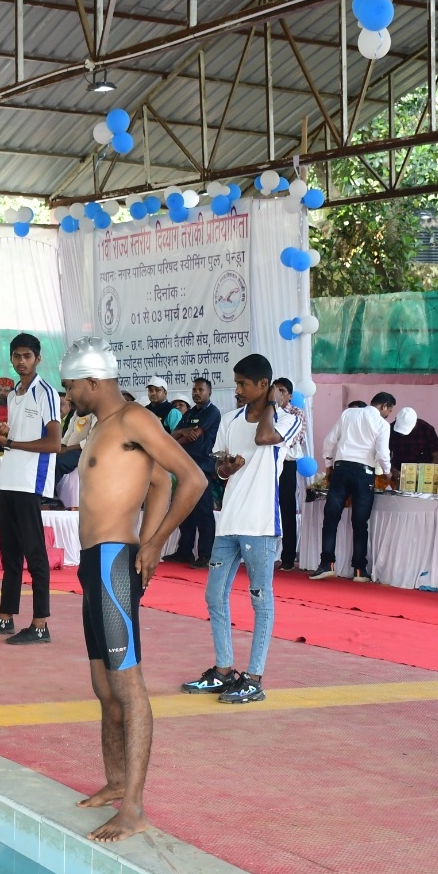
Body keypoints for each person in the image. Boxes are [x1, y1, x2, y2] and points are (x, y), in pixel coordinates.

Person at [61, 337, 206, 841]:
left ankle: (135, 809)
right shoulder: (102, 428)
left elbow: (191, 478)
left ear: (94, 382)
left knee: (128, 686)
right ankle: (117, 782)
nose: (69, 395)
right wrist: (150, 539)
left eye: (72, 386)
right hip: (92, 563)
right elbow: (160, 483)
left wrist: (155, 544)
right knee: (103, 685)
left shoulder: (133, 420)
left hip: (113, 563)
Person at [181, 354, 302, 704]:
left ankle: (254, 677)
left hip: (261, 524)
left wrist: (269, 405)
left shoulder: (286, 419)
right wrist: (227, 468)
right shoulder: (231, 419)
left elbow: (265, 437)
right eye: (236, 383)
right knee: (213, 594)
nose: (237, 389)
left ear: (264, 385)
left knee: (260, 598)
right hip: (230, 521)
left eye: (243, 384)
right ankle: (223, 671)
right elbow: (219, 467)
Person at [0, 334, 60, 645]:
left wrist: (9, 442)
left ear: (37, 358)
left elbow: (53, 443)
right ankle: (6, 616)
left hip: (28, 482)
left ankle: (40, 624)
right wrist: (4, 433)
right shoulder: (14, 395)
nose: (21, 361)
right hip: (8, 479)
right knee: (10, 553)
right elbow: (24, 432)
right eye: (17, 356)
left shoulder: (46, 392)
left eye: (27, 356)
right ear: (11, 358)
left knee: (35, 554)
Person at [311, 392, 393, 582]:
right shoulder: (382, 424)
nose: (389, 414)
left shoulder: (349, 414)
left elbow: (330, 440)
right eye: (389, 410)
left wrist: (329, 464)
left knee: (331, 517)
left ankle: (326, 565)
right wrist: (388, 472)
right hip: (364, 474)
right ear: (384, 406)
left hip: (341, 469)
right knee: (359, 522)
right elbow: (382, 453)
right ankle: (359, 570)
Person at [163, 377, 222, 567]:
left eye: (201, 390)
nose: (196, 393)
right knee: (184, 510)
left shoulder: (212, 412)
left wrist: (178, 439)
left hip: (201, 467)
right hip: (185, 465)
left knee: (204, 511)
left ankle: (205, 555)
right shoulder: (189, 413)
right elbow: (175, 434)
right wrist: (184, 431)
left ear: (209, 392)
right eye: (194, 389)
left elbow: (194, 436)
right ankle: (184, 551)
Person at [272, 377, 310, 571]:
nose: (278, 394)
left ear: (290, 395)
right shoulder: (265, 411)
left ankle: (287, 556)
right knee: (265, 507)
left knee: (286, 508)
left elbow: (294, 439)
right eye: (275, 390)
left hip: (286, 465)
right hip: (267, 464)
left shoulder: (296, 413)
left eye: (282, 391)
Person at [389, 406, 438, 482]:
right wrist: (393, 471)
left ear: (415, 423)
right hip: (400, 477)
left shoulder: (427, 430)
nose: (403, 434)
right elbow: (386, 456)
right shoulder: (389, 430)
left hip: (425, 478)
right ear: (396, 419)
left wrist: (423, 474)